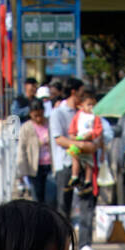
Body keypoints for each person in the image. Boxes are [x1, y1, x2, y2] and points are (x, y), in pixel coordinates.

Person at [49, 77, 84, 220]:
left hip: (84, 162)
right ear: (74, 92)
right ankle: (63, 238)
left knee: (86, 202)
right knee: (63, 206)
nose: (83, 96)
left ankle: (84, 241)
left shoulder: (83, 112)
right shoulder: (58, 113)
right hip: (65, 164)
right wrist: (80, 145)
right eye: (81, 93)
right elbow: (59, 139)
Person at [16, 99, 54, 203]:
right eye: (35, 116)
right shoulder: (26, 128)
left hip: (51, 165)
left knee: (51, 196)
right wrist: (22, 171)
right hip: (35, 167)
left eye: (40, 115)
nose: (38, 118)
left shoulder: (50, 123)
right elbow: (21, 149)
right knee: (37, 196)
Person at [66, 87, 102, 193]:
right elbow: (73, 126)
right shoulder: (79, 115)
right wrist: (72, 135)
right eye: (88, 104)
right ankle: (74, 176)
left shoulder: (95, 116)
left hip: (89, 142)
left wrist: (91, 135)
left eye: (93, 105)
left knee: (88, 163)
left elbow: (98, 130)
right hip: (78, 141)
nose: (91, 107)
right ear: (82, 105)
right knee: (75, 157)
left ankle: (87, 181)